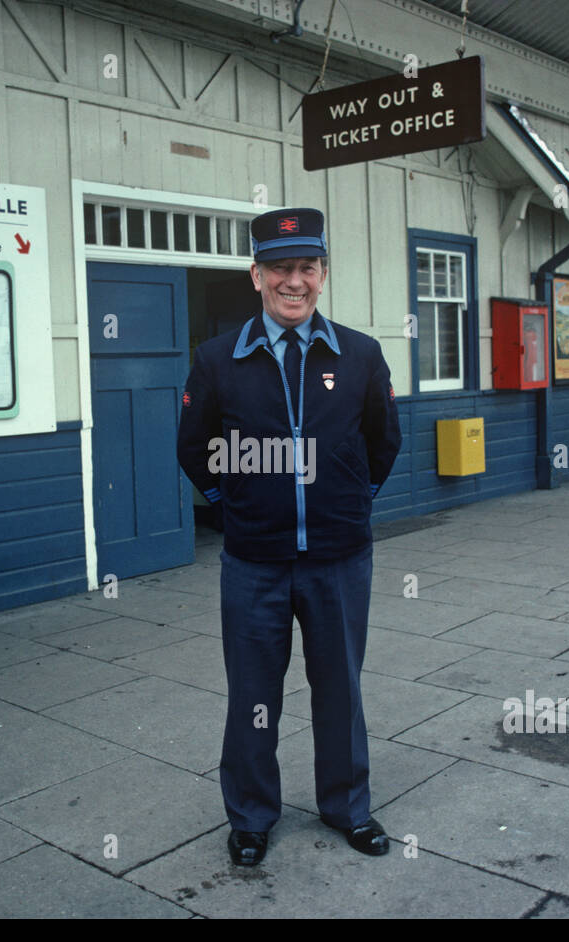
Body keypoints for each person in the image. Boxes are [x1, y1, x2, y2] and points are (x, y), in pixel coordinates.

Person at [177, 207, 402, 867]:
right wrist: (235, 507)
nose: (293, 280)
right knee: (251, 693)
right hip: (254, 564)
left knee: (340, 688)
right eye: (280, 268)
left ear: (323, 275)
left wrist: (347, 503)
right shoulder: (218, 359)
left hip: (339, 561)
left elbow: (382, 443)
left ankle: (347, 807)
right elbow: (197, 449)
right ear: (256, 274)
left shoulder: (360, 354)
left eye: (306, 267)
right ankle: (250, 817)